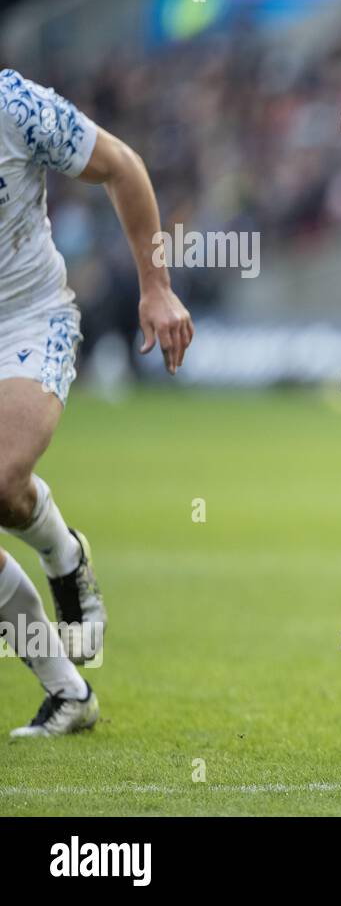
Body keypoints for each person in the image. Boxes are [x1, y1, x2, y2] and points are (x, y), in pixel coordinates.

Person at [1, 68, 193, 737]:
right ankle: (69, 691)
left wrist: (156, 288)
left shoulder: (15, 105)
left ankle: (62, 556)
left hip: (26, 320)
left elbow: (123, 166)